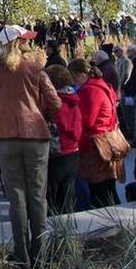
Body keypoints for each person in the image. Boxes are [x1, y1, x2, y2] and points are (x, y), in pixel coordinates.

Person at [0, 25, 60, 265]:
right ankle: (40, 252)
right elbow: (55, 102)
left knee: (16, 197)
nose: (30, 43)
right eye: (26, 39)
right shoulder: (35, 69)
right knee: (37, 195)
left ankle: (21, 253)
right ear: (17, 43)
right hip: (35, 135)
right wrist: (42, 116)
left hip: (5, 138)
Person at [69, 58, 120, 208]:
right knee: (109, 189)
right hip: (107, 141)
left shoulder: (89, 91)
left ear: (81, 74)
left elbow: (86, 121)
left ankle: (107, 225)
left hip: (96, 146)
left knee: (100, 192)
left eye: (73, 77)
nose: (73, 82)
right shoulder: (103, 85)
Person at [43, 65, 82, 214]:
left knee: (52, 196)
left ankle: (55, 231)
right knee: (68, 194)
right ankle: (69, 229)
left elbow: (58, 123)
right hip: (73, 150)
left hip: (58, 152)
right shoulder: (73, 98)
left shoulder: (55, 103)